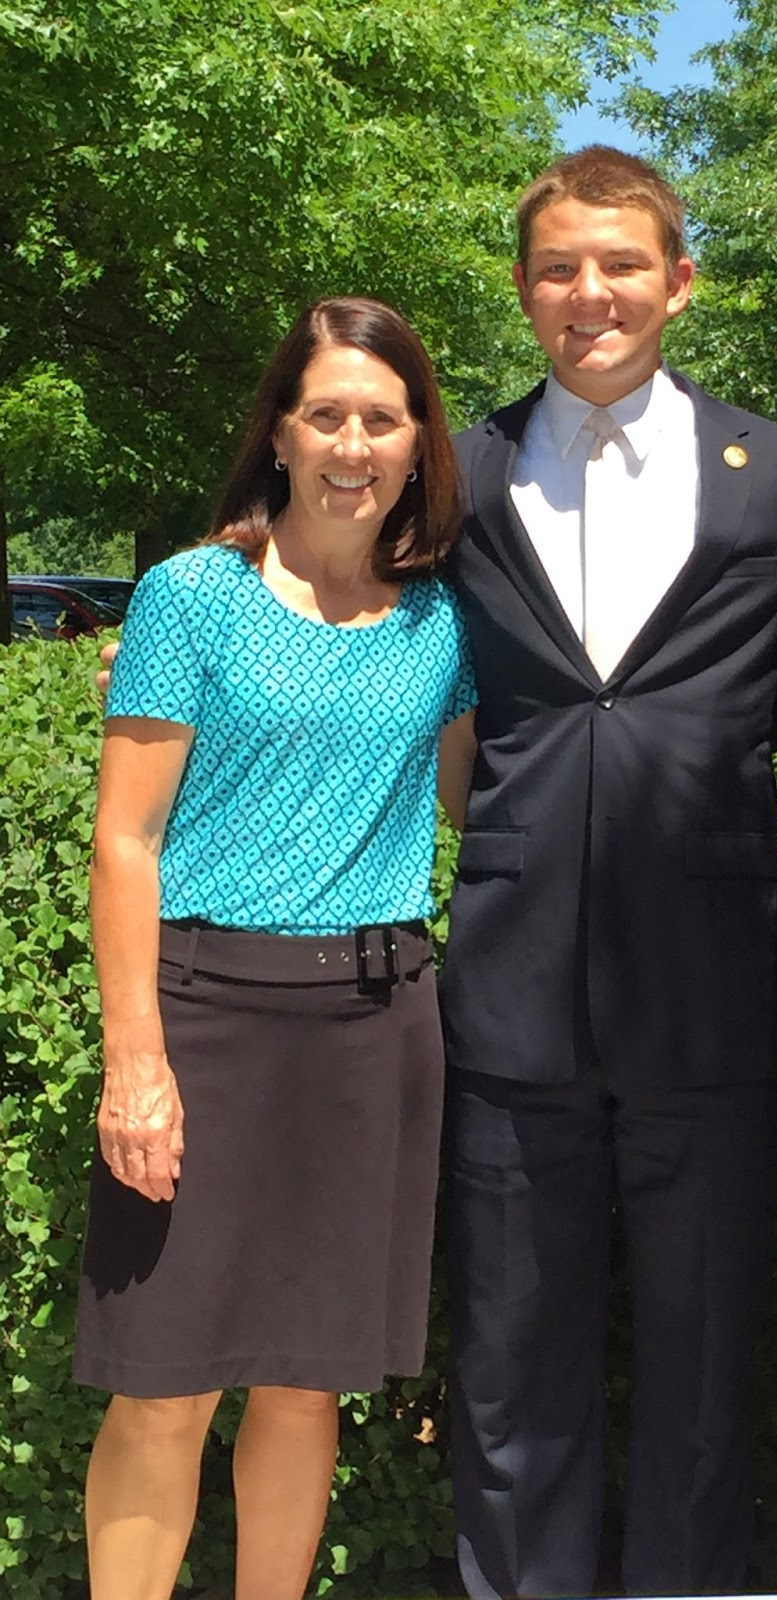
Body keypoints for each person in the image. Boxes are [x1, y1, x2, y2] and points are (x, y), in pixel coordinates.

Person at [439, 146, 777, 1598]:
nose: (589, 294)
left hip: (712, 995)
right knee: (506, 1390)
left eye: (620, 264)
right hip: (508, 992)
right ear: (523, 287)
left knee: (701, 1389)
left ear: (679, 280)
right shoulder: (454, 470)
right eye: (558, 267)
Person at [76, 296, 477, 1600]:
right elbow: (125, 840)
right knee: (164, 1389)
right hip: (202, 1020)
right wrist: (134, 1059)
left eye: (382, 416)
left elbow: (490, 797)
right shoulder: (192, 597)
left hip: (375, 1027)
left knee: (307, 1387)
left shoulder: (446, 625)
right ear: (283, 434)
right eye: (327, 415)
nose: (352, 443)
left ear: (420, 440)